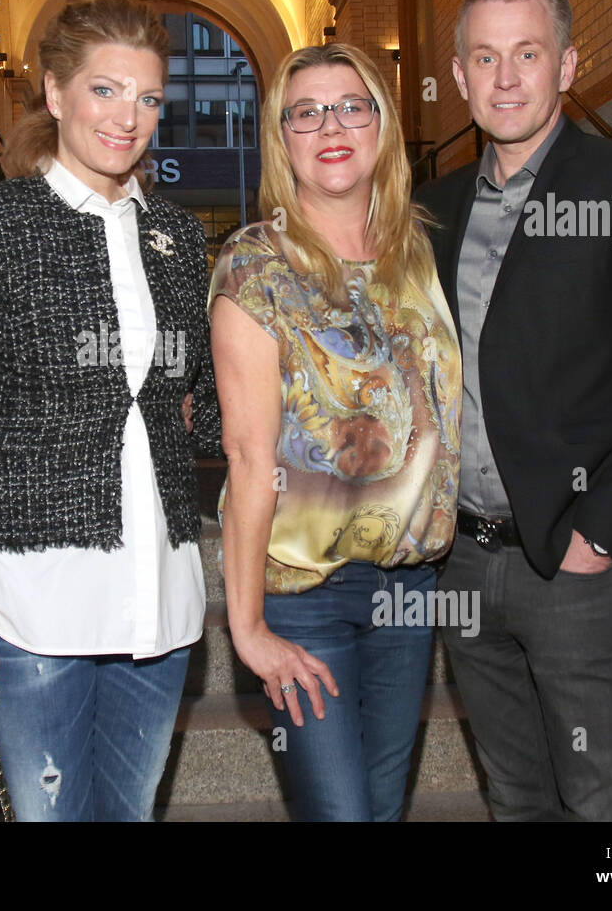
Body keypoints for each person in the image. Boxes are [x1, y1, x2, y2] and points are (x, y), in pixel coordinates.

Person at [415, 0, 612, 821]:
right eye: (485, 57)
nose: (506, 78)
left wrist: (603, 533)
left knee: (602, 803)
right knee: (517, 800)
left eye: (528, 53)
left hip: (576, 568)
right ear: (460, 74)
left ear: (568, 64)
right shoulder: (432, 209)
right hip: (462, 563)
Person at [0, 0, 221, 822]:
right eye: (104, 90)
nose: (128, 118)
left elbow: (202, 405)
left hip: (160, 596)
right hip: (34, 599)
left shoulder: (175, 237)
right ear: (55, 94)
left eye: (148, 98)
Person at [209, 43, 462, 821]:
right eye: (306, 112)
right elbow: (248, 457)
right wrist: (246, 625)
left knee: (380, 808)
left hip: (409, 588)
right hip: (303, 593)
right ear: (281, 138)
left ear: (382, 125)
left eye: (352, 106)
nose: (331, 126)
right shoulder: (256, 265)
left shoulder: (419, 253)